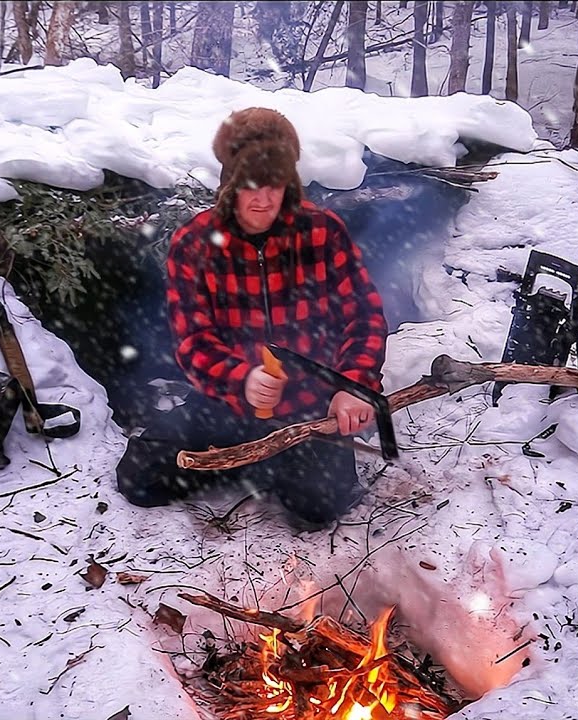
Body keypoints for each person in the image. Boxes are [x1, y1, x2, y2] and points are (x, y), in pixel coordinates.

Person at [115, 107, 389, 529]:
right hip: (225, 401)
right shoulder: (196, 243)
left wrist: (353, 385)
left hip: (310, 407)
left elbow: (364, 317)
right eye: (250, 186)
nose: (263, 199)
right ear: (229, 182)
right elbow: (193, 340)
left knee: (317, 505)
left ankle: (276, 461)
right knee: (139, 480)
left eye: (275, 184)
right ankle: (251, 458)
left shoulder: (322, 231)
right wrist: (240, 378)